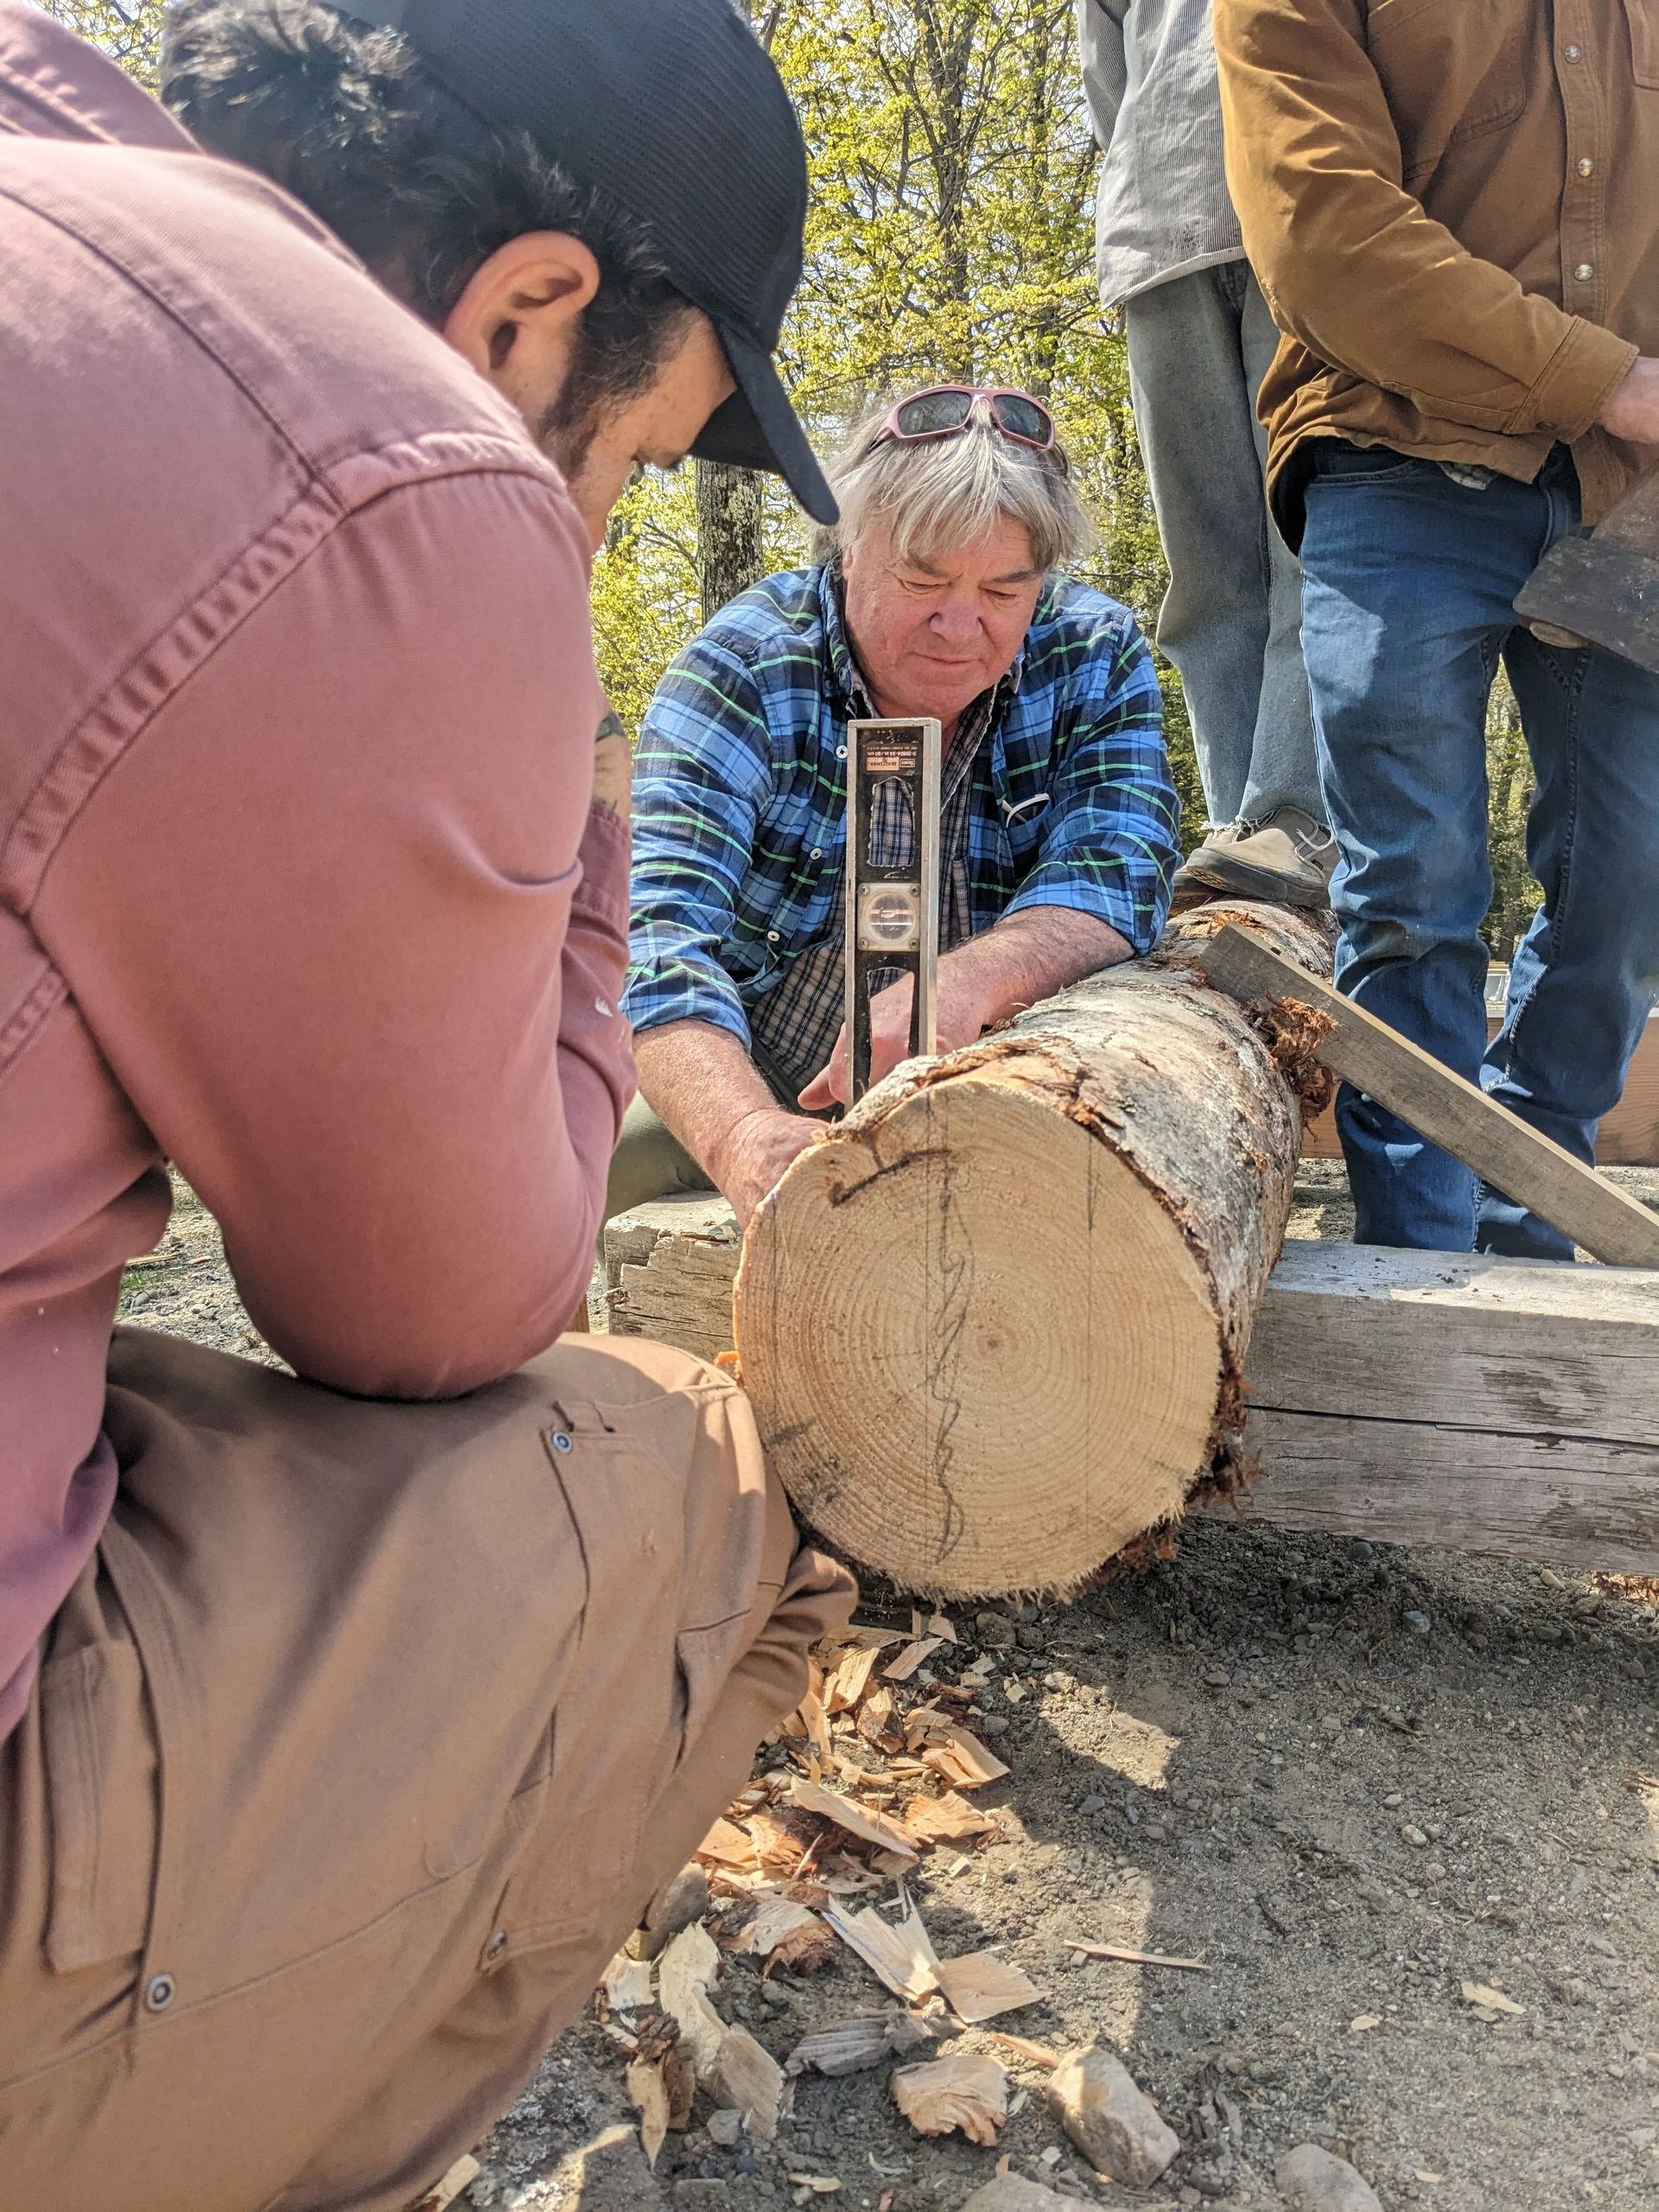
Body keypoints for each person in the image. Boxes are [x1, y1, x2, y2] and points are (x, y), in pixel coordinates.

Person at [0, 0, 855, 2203]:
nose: (600, 525)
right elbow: (438, 1310)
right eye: (631, 464)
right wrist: (572, 802)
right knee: (703, 1471)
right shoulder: (392, 460)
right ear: (524, 311)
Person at [1214, 0, 1659, 1258]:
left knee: (1632, 883)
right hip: (1395, 456)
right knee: (1413, 884)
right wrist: (1606, 380)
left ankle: (1534, 1210)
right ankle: (1421, 1251)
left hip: (1632, 493)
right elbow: (1324, 232)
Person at [613, 386, 1181, 1229]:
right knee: (610, 1159)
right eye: (923, 580)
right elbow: (658, 937)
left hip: (1005, 1074)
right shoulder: (743, 669)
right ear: (848, 548)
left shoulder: (1092, 653)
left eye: (1003, 592)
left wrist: (963, 983)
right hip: (757, 1066)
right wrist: (741, 1134)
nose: (960, 626)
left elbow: (1116, 873)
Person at [1077, 0, 1334, 907]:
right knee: (1205, 572)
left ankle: (1297, 819)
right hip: (1155, 233)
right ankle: (1234, 827)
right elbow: (1107, 79)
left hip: (1308, 225)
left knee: (1308, 545)